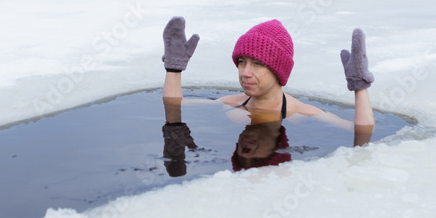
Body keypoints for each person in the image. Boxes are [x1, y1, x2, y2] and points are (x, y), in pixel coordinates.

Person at [159, 17, 376, 174]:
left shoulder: (300, 112)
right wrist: (174, 69)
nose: (245, 72)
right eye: (242, 62)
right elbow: (174, 105)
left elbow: (361, 133)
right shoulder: (233, 103)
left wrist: (360, 87)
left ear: (277, 69)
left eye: (257, 64)